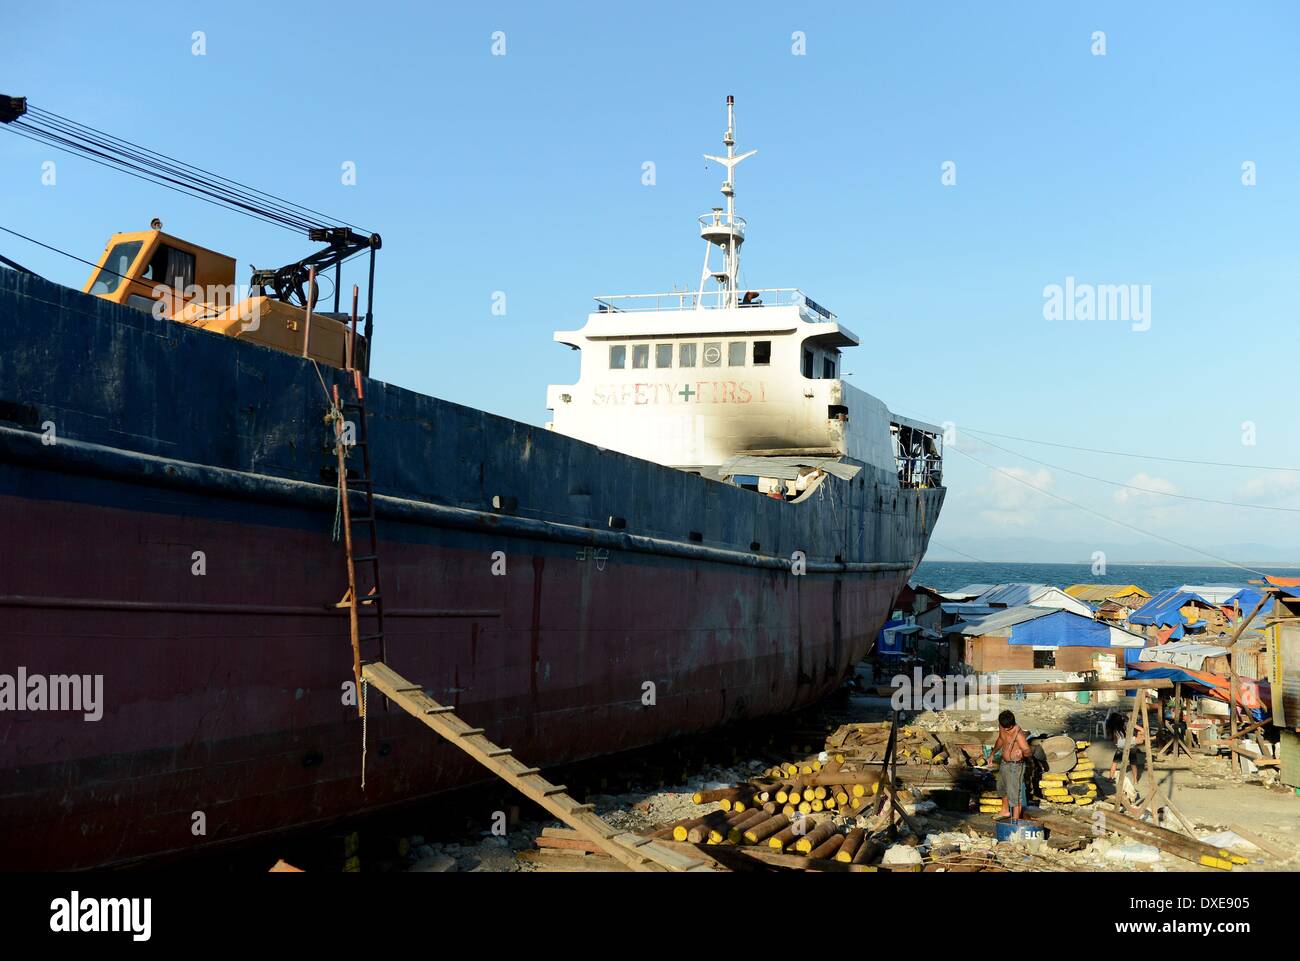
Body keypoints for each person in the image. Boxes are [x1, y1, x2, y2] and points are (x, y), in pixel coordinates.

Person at [990, 709, 1031, 820]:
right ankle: (1005, 811)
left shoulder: (1019, 735)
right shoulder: (1002, 726)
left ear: (1013, 724)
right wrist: (993, 753)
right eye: (1004, 727)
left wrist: (1022, 753)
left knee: (1014, 793)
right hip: (1004, 763)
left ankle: (1015, 820)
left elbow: (1028, 751)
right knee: (1001, 788)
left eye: (1009, 728)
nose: (1007, 730)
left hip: (1015, 766)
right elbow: (1000, 739)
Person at [1105, 711, 1147, 797]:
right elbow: (1141, 729)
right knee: (1133, 763)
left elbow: (1113, 739)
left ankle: (1110, 777)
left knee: (1115, 762)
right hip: (1130, 745)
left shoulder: (1113, 726)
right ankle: (1135, 780)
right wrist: (1140, 733)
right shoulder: (1128, 723)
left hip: (1120, 746)